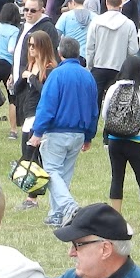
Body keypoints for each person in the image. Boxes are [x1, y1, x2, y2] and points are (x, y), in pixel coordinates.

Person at [30, 36, 99, 228]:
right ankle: (57, 214)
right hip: (78, 132)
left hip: (57, 131)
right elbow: (94, 109)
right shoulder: (88, 76)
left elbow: (47, 106)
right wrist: (89, 135)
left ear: (60, 54)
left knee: (52, 171)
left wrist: (37, 132)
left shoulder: (57, 75)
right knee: (64, 174)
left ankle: (67, 207)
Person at [101, 56, 140, 229]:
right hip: (136, 140)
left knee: (117, 178)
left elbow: (105, 115)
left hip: (114, 140)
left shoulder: (114, 88)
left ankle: (116, 217)